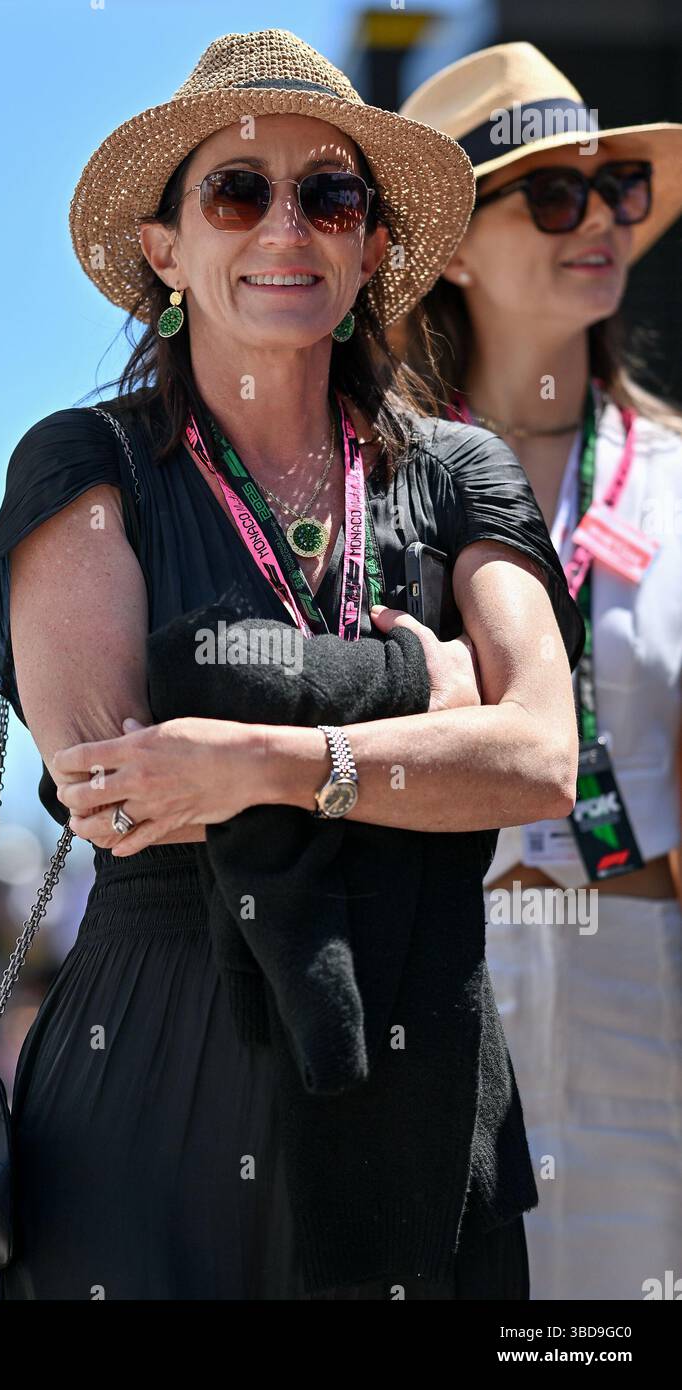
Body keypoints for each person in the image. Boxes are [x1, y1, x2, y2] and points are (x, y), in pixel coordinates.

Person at [0, 29, 585, 1300]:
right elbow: (119, 787)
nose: (285, 227)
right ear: (165, 251)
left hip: (417, 1076)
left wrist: (251, 750)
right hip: (154, 1081)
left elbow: (538, 757)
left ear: (367, 250)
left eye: (329, 195)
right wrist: (419, 695)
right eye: (236, 191)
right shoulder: (87, 466)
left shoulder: (459, 471)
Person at [399, 41, 682, 1300]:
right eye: (551, 195)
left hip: (644, 982)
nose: (600, 220)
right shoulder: (375, 487)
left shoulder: (673, 479)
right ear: (451, 247)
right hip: (437, 977)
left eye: (613, 187)